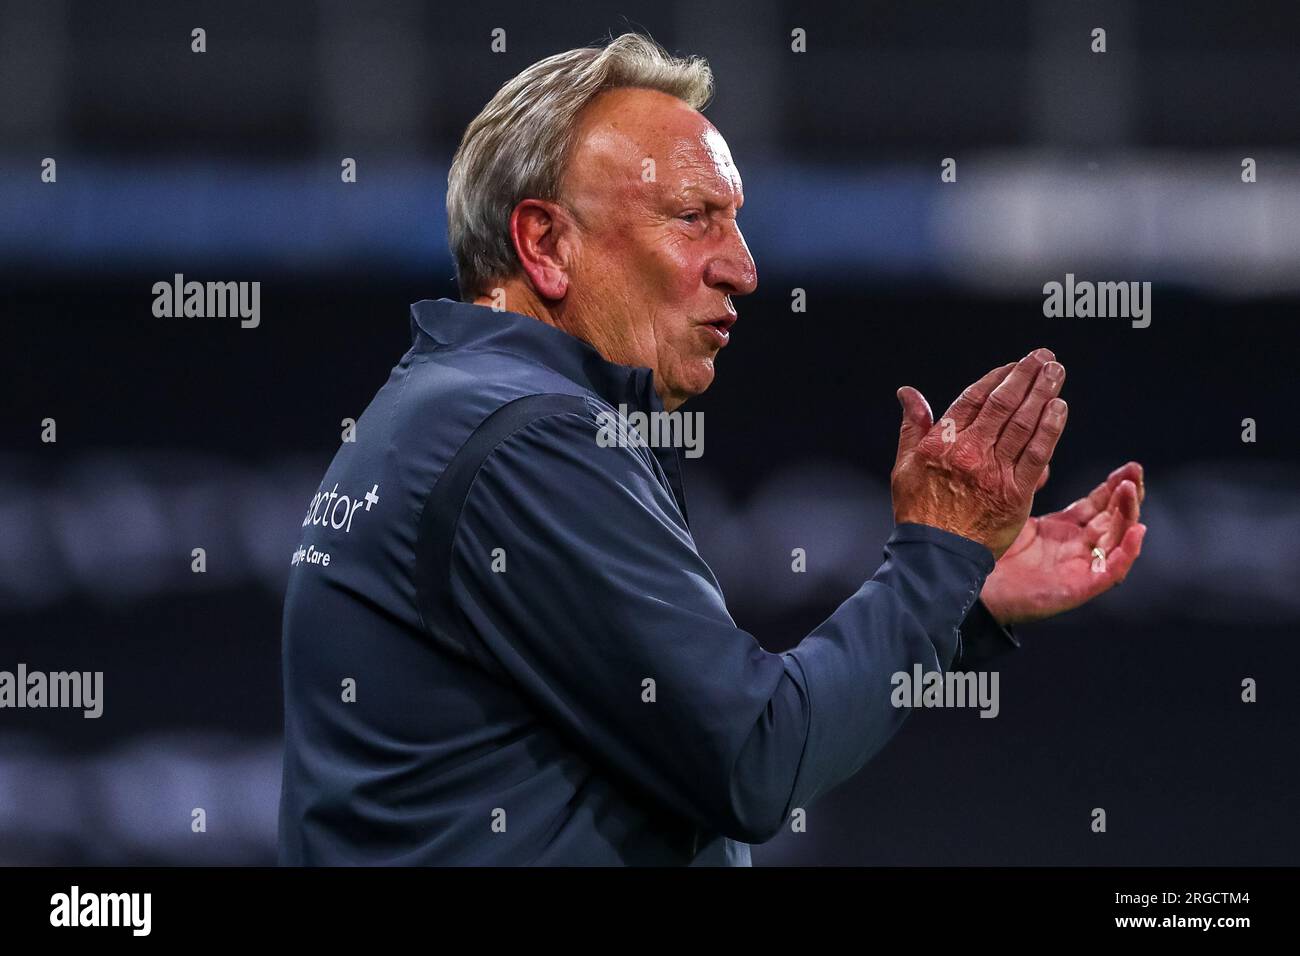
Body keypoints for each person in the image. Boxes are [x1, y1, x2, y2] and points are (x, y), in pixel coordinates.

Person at [278, 33, 1146, 866]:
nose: (744, 267)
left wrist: (959, 592)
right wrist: (933, 559)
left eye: (734, 221)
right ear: (545, 243)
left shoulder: (447, 408)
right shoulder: (528, 438)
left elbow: (685, 744)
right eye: (693, 218)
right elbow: (752, 762)